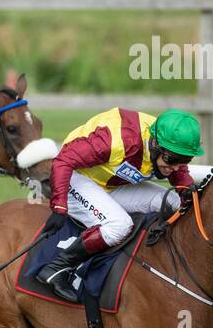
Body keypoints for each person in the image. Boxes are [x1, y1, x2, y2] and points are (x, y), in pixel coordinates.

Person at [37, 108, 202, 302]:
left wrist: (187, 192)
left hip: (111, 184)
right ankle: (57, 267)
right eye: (172, 160)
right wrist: (59, 207)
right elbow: (62, 162)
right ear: (155, 144)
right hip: (77, 177)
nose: (175, 167)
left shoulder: (168, 142)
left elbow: (179, 174)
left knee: (173, 202)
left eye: (184, 160)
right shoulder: (114, 142)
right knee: (120, 225)